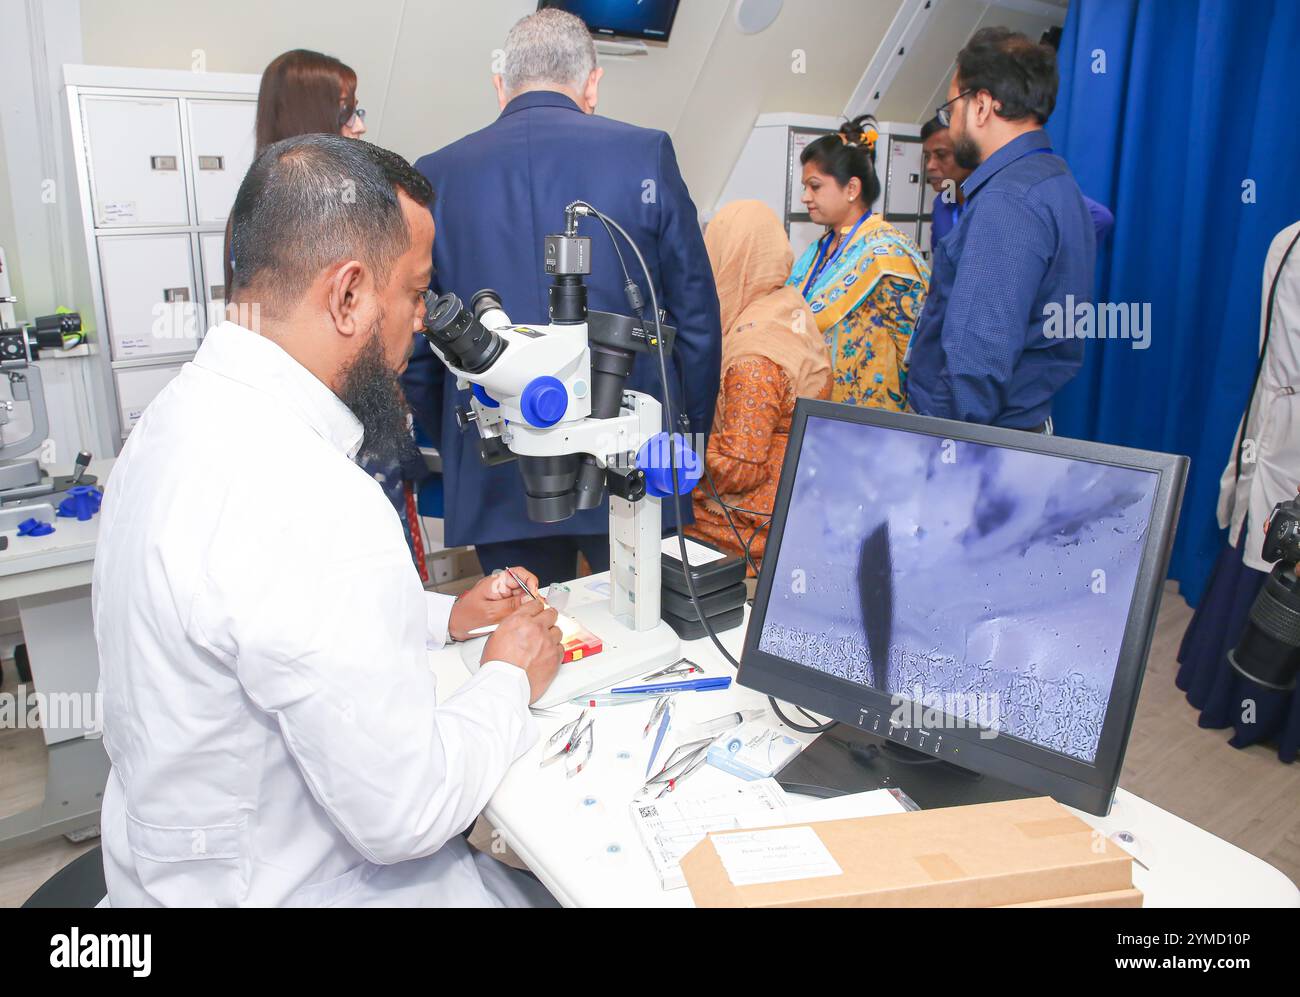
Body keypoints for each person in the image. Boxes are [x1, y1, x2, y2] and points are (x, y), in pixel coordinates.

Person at [92, 134, 564, 907]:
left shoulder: (173, 423)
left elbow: (263, 613)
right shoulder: (310, 494)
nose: (419, 328)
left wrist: (447, 617)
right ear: (348, 296)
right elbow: (406, 811)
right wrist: (510, 674)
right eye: (414, 293)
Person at [402, 7, 722, 588]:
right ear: (592, 83)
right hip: (631, 457)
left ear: (500, 85)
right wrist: (683, 435)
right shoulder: (645, 154)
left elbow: (421, 346)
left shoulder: (436, 176)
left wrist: (462, 434)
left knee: (531, 643)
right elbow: (696, 321)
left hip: (499, 468)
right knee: (646, 635)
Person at [907, 27, 1095, 431]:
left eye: (951, 108)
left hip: (973, 441)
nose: (950, 121)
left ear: (982, 106)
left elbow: (976, 362)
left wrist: (937, 447)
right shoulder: (1053, 179)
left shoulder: (1008, 202)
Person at [1177, 220, 1300, 763]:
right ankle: (1252, 697)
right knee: (1269, 544)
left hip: (1282, 433)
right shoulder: (1289, 242)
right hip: (1280, 429)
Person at [687, 201, 831, 570]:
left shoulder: (754, 355)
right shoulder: (786, 307)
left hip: (756, 523)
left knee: (651, 516)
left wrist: (681, 451)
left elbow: (740, 466)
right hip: (806, 494)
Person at [786, 116, 929, 410]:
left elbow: (918, 349)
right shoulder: (818, 249)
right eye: (804, 187)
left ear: (852, 188)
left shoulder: (888, 255)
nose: (804, 197)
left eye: (815, 186)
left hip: (870, 422)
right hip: (817, 410)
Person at [921, 116, 1114, 255]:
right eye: (927, 157)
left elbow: (1100, 218)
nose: (930, 166)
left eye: (941, 155)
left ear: (968, 152)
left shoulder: (1005, 194)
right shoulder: (942, 205)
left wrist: (1045, 261)